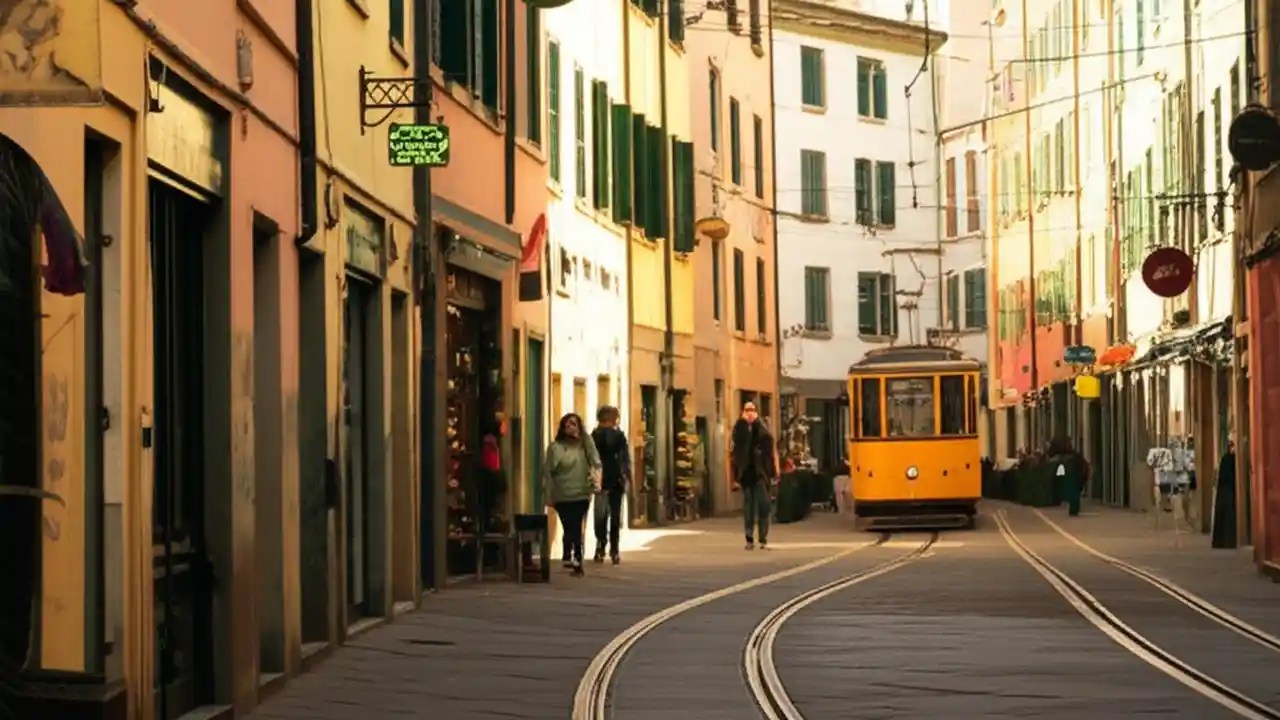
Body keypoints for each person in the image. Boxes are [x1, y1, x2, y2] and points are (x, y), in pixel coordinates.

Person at [542, 413, 602, 576]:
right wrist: (548, 494)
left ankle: (576, 557)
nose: (570, 427)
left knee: (576, 524)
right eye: (567, 425)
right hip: (562, 494)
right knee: (569, 525)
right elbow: (549, 470)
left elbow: (595, 460)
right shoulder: (556, 447)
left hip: (581, 492)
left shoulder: (585, 443)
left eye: (573, 424)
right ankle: (571, 553)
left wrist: (596, 480)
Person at [731, 401, 779, 550]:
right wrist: (734, 478)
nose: (750, 413)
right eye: (747, 410)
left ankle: (763, 537)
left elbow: (772, 452)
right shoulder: (739, 430)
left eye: (752, 410)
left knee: (764, 506)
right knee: (748, 509)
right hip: (746, 475)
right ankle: (749, 538)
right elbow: (733, 455)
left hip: (761, 474)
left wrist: (775, 472)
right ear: (742, 412)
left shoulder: (763, 430)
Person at [590, 405, 631, 565]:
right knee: (614, 517)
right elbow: (625, 460)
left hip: (600, 481)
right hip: (615, 481)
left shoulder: (594, 437)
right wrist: (625, 477)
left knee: (600, 516)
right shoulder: (619, 437)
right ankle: (614, 550)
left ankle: (600, 547)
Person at [1048, 435, 1088, 516]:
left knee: (1072, 491)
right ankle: (1074, 508)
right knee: (1073, 491)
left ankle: (1073, 508)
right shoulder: (1072, 456)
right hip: (1072, 473)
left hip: (1071, 473)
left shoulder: (1070, 456)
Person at [1211, 439, 1238, 549]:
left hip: (1224, 493)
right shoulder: (1230, 460)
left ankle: (1223, 541)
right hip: (1229, 492)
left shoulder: (1226, 460)